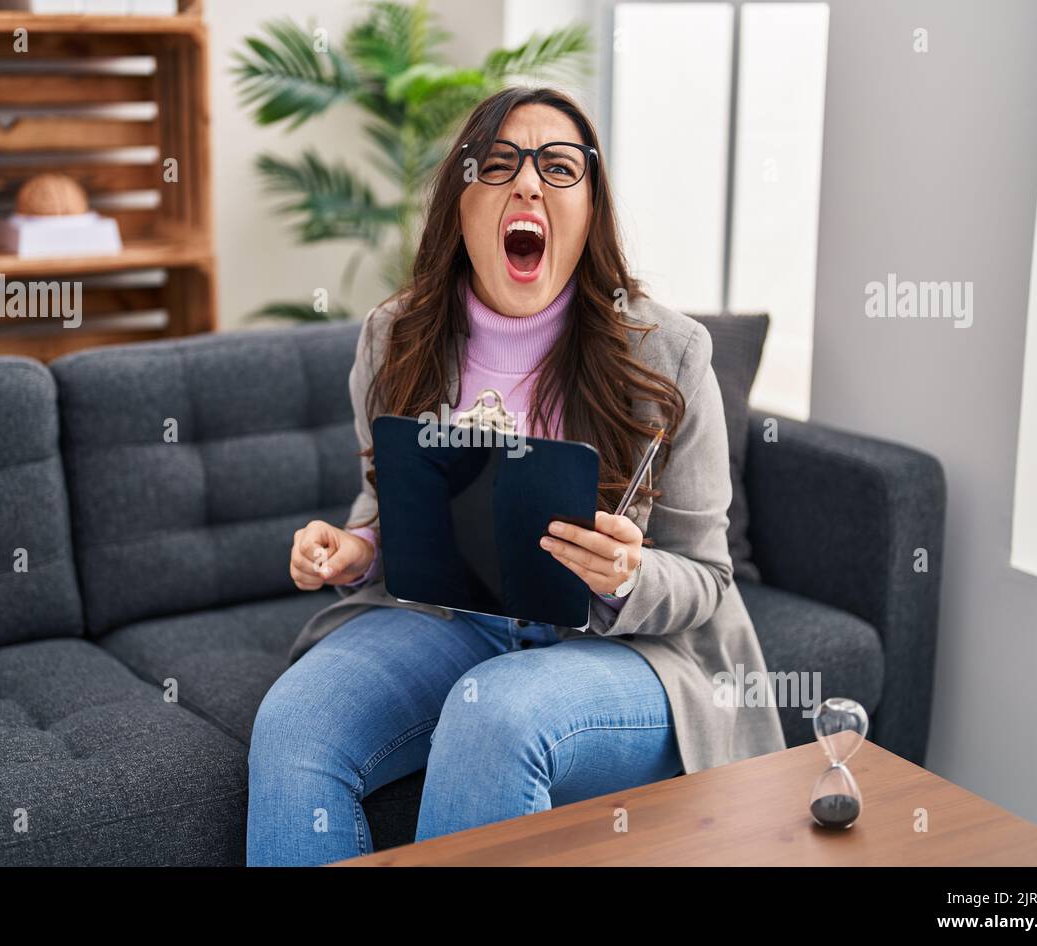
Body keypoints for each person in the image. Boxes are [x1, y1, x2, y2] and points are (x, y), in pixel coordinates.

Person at [246, 86, 785, 866]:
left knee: (493, 713)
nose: (528, 183)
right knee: (296, 722)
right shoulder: (394, 336)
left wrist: (629, 573)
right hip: (452, 618)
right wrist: (359, 545)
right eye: (498, 165)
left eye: (559, 168)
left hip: (629, 650)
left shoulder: (671, 353)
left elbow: (706, 577)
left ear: (589, 210)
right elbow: (385, 498)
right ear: (459, 204)